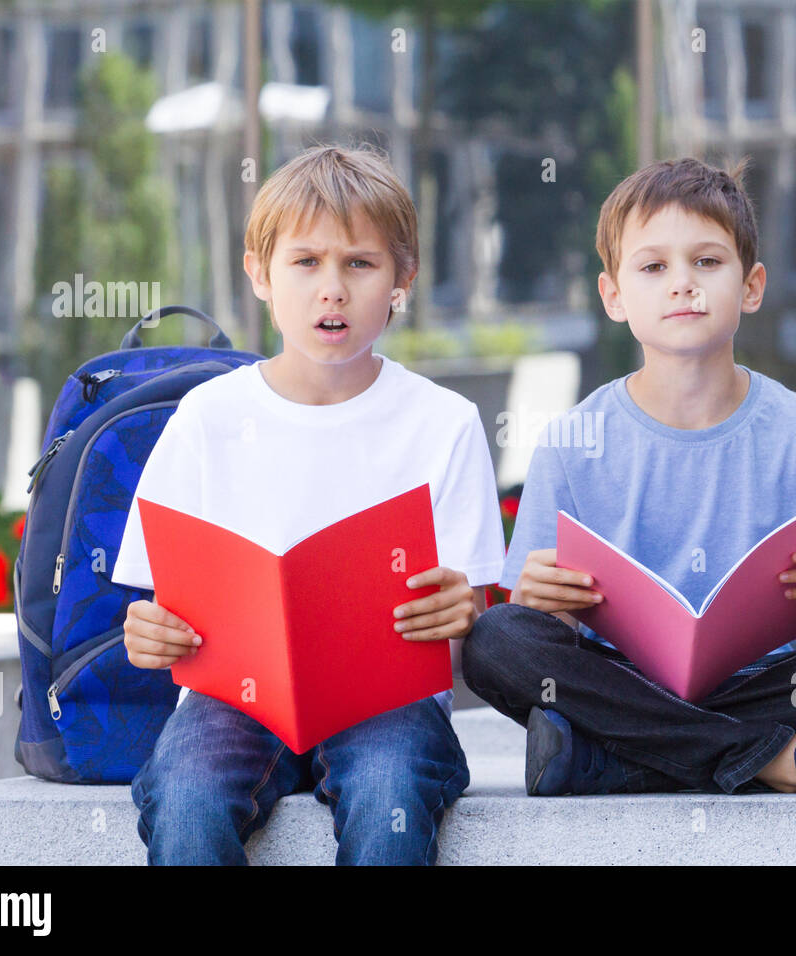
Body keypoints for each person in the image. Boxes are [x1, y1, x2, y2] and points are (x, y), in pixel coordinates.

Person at [462, 157, 796, 797]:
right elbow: (546, 636)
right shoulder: (571, 440)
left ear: (751, 287)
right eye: (654, 266)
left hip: (769, 682)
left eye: (708, 262)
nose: (682, 284)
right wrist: (539, 603)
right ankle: (787, 763)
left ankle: (617, 761)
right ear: (613, 296)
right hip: (623, 682)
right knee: (496, 640)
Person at [111, 143, 505, 864]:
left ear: (402, 278)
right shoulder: (207, 417)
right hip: (233, 698)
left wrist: (465, 609)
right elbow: (156, 604)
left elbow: (468, 601)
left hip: (385, 700)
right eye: (305, 262)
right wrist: (149, 633)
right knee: (187, 798)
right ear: (259, 273)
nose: (332, 289)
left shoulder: (442, 421)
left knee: (390, 790)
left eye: (360, 264)